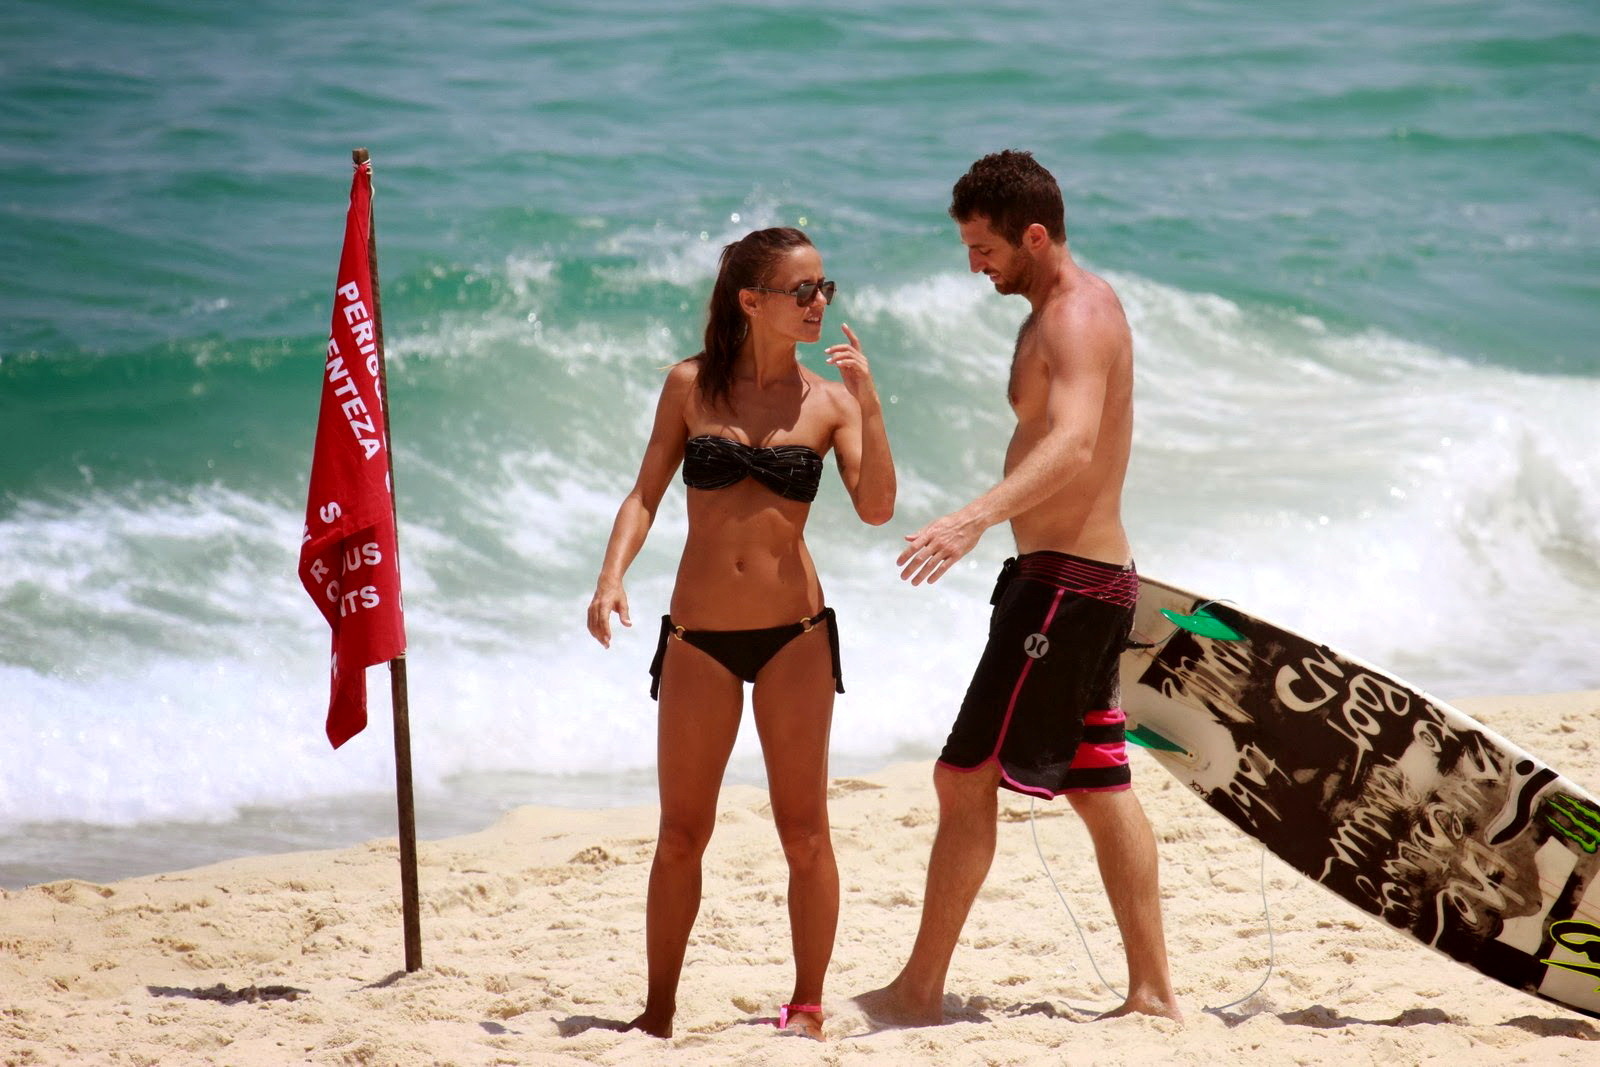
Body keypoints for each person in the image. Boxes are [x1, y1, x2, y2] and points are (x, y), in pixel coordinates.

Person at [856, 151, 1181, 1025]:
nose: (974, 264)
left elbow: (1073, 443)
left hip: (1068, 589)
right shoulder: (1056, 310)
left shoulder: (1076, 316)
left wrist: (970, 520)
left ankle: (919, 989)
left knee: (965, 776)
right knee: (1098, 783)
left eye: (985, 247)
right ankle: (1152, 993)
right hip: (1083, 581)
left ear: (1034, 234)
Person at [588, 226, 896, 1040]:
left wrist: (869, 398)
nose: (818, 303)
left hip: (795, 634)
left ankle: (807, 1003)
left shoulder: (827, 401)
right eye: (802, 291)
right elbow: (645, 493)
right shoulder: (690, 386)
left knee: (805, 831)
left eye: (825, 287)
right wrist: (611, 573)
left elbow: (876, 507)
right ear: (750, 301)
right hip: (698, 637)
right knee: (682, 833)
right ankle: (656, 1011)